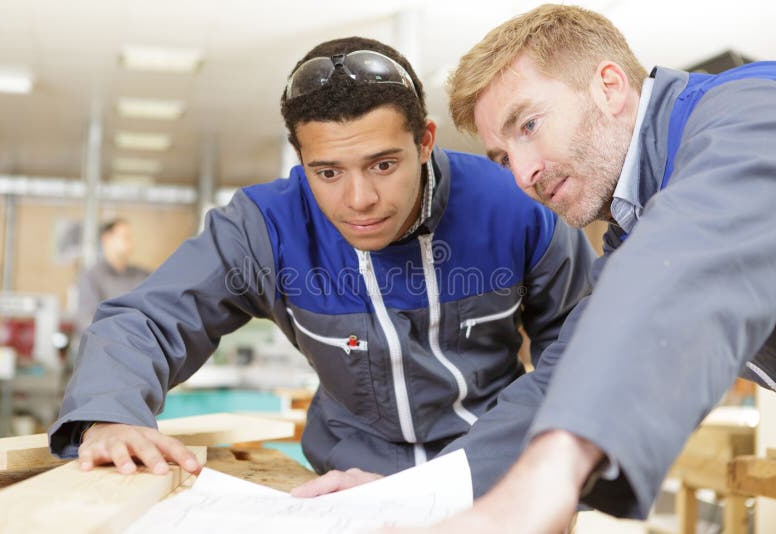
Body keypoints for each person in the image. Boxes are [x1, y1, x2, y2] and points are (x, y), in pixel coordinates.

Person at [48, 36, 595, 496]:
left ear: (425, 141)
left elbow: (581, 357)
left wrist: (453, 487)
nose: (359, 200)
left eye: (383, 165)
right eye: (328, 172)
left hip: (495, 484)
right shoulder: (264, 228)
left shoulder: (517, 206)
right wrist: (109, 413)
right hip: (342, 492)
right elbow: (146, 319)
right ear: (301, 159)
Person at [394, 4, 776, 532]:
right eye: (503, 157)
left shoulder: (752, 109)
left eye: (529, 125)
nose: (522, 174)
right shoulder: (634, 230)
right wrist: (408, 498)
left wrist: (552, 472)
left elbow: (688, 256)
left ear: (609, 87)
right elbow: (560, 383)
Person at [75, 219, 149, 336]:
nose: (132, 243)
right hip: (106, 343)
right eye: (125, 237)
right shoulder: (91, 277)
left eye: (131, 238)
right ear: (106, 239)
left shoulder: (142, 276)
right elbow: (86, 320)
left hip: (139, 341)